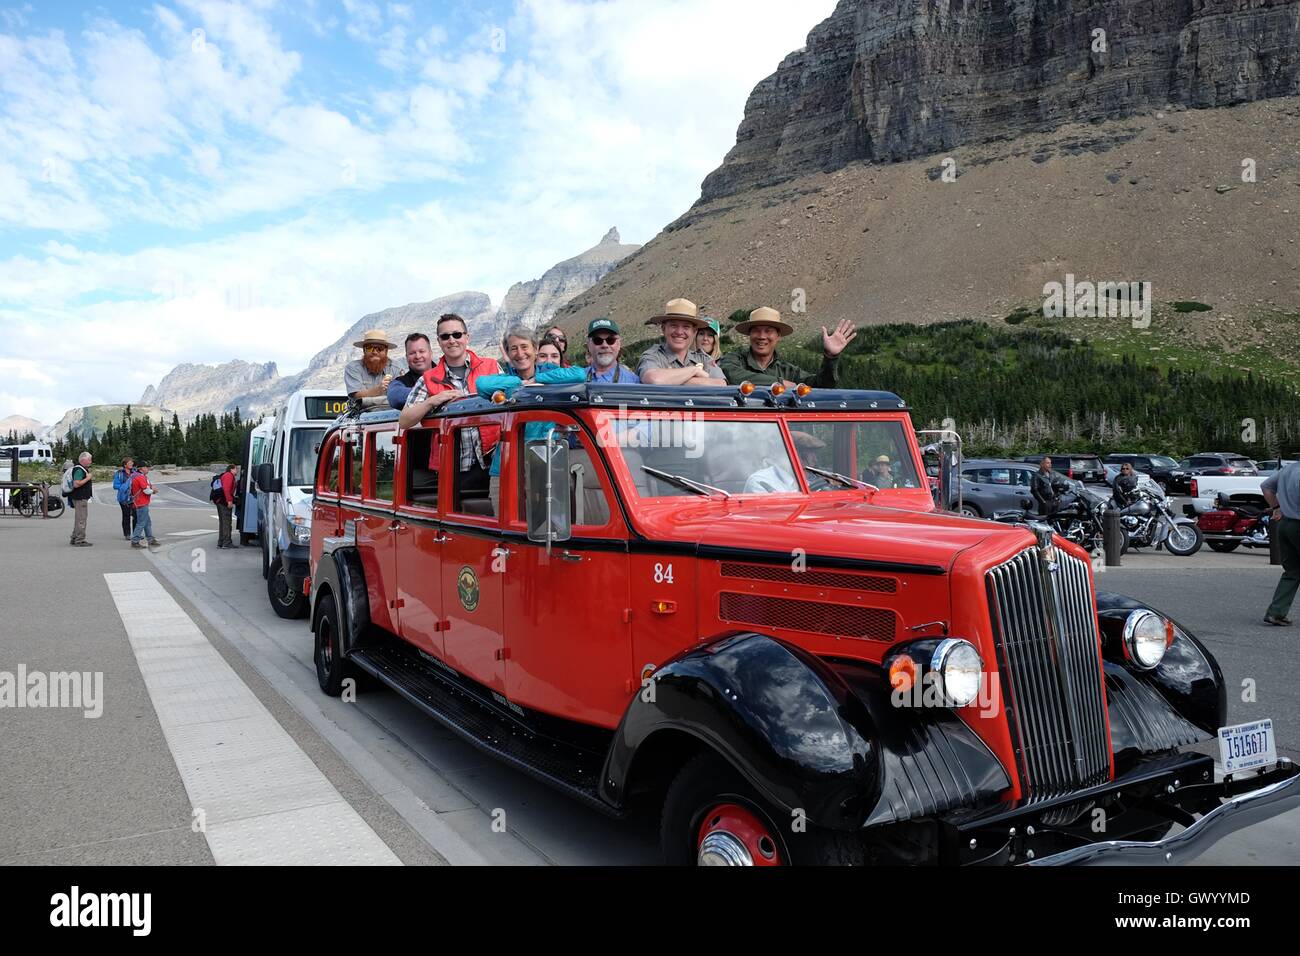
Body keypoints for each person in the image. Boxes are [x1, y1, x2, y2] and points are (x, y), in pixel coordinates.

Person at [476, 331, 586, 511]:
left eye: (524, 347)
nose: (520, 353)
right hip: (506, 466)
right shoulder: (506, 377)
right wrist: (520, 383)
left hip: (545, 464)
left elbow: (579, 374)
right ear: (509, 354)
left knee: (547, 526)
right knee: (505, 524)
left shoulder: (548, 372)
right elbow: (481, 385)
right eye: (514, 349)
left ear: (535, 349)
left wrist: (537, 380)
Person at [399, 314, 502, 491]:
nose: (452, 340)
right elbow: (405, 420)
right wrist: (432, 401)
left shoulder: (491, 367)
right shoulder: (428, 379)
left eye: (457, 335)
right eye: (445, 336)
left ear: (467, 337)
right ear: (439, 341)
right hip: (453, 470)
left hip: (495, 463)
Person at [718, 307, 857, 387]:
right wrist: (780, 383)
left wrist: (831, 357)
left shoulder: (789, 371)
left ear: (778, 336)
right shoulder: (734, 359)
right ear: (749, 334)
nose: (761, 336)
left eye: (768, 331)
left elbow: (822, 386)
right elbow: (732, 375)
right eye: (756, 330)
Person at [637, 298, 727, 385]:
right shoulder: (652, 356)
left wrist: (671, 379)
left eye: (686, 327)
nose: (679, 332)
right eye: (674, 326)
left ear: (694, 332)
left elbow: (721, 384)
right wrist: (694, 370)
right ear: (663, 329)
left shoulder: (704, 359)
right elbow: (654, 379)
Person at [1262, 460, 1300, 626]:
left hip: (1285, 524)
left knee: (1292, 571)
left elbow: (1266, 487)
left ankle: (1276, 612)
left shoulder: (1288, 469)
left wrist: (1276, 507)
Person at [344, 330, 403, 409]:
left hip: (391, 415)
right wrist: (379, 389)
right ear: (364, 350)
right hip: (360, 415)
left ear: (386, 351)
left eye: (380, 348)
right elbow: (356, 396)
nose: (375, 352)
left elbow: (400, 395)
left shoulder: (396, 367)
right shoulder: (353, 368)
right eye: (369, 348)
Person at [582, 318, 639, 383]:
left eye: (610, 340)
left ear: (619, 344)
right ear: (589, 345)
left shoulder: (633, 382)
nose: (604, 345)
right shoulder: (575, 379)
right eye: (597, 340)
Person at [387, 332, 434, 410]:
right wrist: (436, 394)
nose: (418, 356)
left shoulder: (447, 373)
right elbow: (394, 397)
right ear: (406, 357)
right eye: (412, 353)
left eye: (422, 351)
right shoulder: (399, 383)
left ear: (430, 353)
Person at [128, 463, 161, 550]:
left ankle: (150, 539)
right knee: (141, 523)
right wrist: (153, 491)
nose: (148, 469)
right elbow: (146, 491)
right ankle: (135, 541)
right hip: (141, 502)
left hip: (140, 502)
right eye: (147, 467)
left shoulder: (136, 476)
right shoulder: (140, 477)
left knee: (147, 522)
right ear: (141, 468)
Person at [68, 451, 94, 547]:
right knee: (81, 519)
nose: (91, 461)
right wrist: (88, 478)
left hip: (79, 497)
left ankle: (74, 537)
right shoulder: (79, 470)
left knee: (79, 518)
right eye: (89, 459)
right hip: (80, 497)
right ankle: (80, 539)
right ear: (83, 460)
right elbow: (76, 483)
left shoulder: (80, 469)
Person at [214, 464, 238, 548]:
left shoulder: (225, 475)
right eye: (236, 469)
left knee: (223, 522)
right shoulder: (229, 476)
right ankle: (227, 543)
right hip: (224, 502)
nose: (237, 470)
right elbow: (226, 489)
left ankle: (221, 542)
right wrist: (229, 501)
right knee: (227, 522)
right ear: (231, 469)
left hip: (220, 501)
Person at [112, 456, 137, 540]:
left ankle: (136, 533)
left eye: (132, 462)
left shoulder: (135, 472)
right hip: (124, 498)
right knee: (126, 515)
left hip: (134, 497)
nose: (132, 464)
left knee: (136, 515)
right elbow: (115, 485)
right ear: (125, 464)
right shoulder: (119, 473)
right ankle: (127, 534)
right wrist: (126, 486)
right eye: (130, 463)